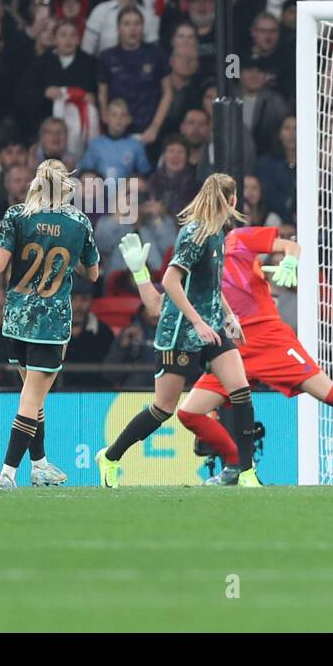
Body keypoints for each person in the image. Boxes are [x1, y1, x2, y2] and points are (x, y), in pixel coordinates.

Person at [119, 224, 333, 480]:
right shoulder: (191, 270)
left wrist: (289, 261)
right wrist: (140, 272)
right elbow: (157, 306)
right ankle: (234, 465)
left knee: (329, 393)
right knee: (189, 412)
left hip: (270, 339)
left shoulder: (238, 239)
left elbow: (290, 245)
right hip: (232, 350)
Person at [96, 174, 257, 486]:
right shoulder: (196, 233)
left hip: (210, 329)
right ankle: (111, 456)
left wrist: (228, 316)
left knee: (241, 392)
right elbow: (170, 281)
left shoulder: (218, 234)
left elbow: (210, 285)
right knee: (164, 408)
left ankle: (247, 472)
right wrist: (196, 322)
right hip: (180, 332)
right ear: (233, 200)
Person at [0, 159, 100, 489]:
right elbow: (94, 273)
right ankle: (7, 473)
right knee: (32, 399)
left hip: (17, 319)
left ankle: (40, 464)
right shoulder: (78, 221)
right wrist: (69, 262)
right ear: (66, 186)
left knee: (33, 394)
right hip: (51, 322)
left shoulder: (17, 215)